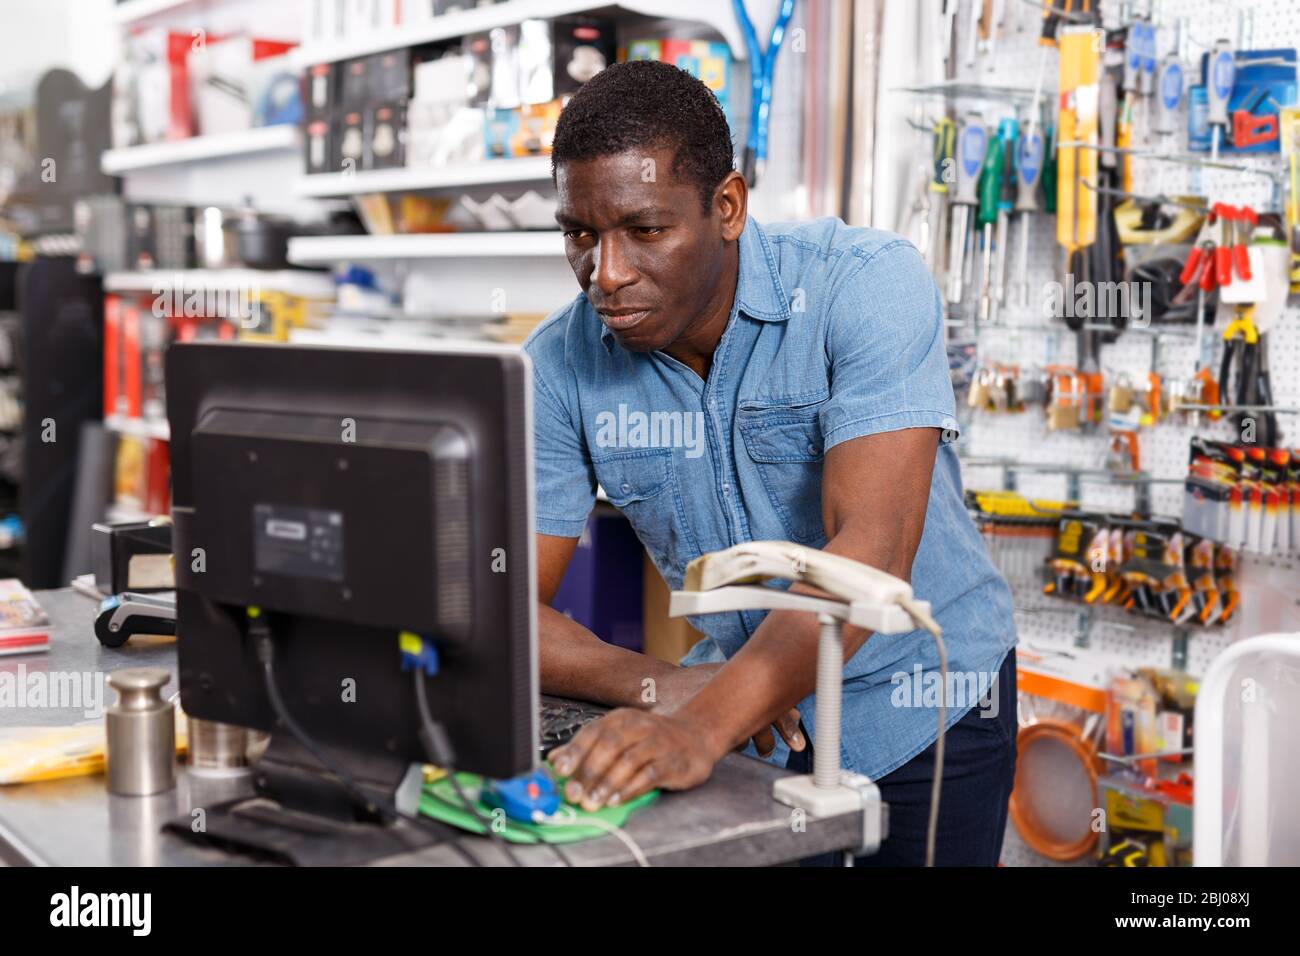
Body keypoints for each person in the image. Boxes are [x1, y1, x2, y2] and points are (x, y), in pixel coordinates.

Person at [525, 59, 1017, 866]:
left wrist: (700, 721)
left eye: (645, 230)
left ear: (727, 206)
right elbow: (506, 603)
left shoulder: (864, 285)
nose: (605, 275)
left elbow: (871, 553)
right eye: (580, 235)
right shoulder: (559, 364)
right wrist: (663, 687)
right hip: (744, 719)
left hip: (922, 710)